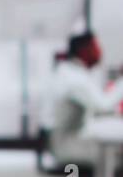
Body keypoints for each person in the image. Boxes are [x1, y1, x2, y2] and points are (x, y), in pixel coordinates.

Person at [44, 31, 123, 167]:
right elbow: (103, 105)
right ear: (84, 50)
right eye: (96, 46)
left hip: (63, 140)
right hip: (68, 146)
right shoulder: (74, 79)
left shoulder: (68, 72)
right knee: (115, 153)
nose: (99, 51)